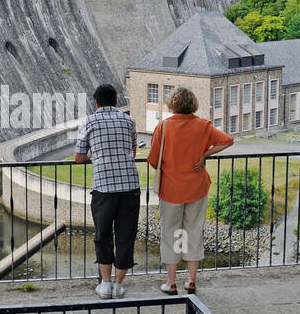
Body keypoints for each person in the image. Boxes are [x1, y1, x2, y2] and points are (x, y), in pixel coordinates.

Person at [147, 87, 233, 294]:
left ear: (172, 103)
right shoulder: (204, 125)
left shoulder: (164, 126)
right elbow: (228, 140)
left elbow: (152, 160)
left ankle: (171, 282)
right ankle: (192, 281)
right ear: (193, 103)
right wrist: (204, 155)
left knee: (172, 233)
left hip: (171, 190)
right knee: (193, 231)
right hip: (197, 187)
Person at [74, 83, 140, 299]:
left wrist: (95, 155)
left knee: (103, 235)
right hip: (130, 185)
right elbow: (132, 151)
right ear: (116, 102)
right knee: (125, 235)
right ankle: (119, 285)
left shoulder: (89, 122)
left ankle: (105, 284)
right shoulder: (129, 120)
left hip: (104, 187)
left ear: (96, 103)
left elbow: (79, 157)